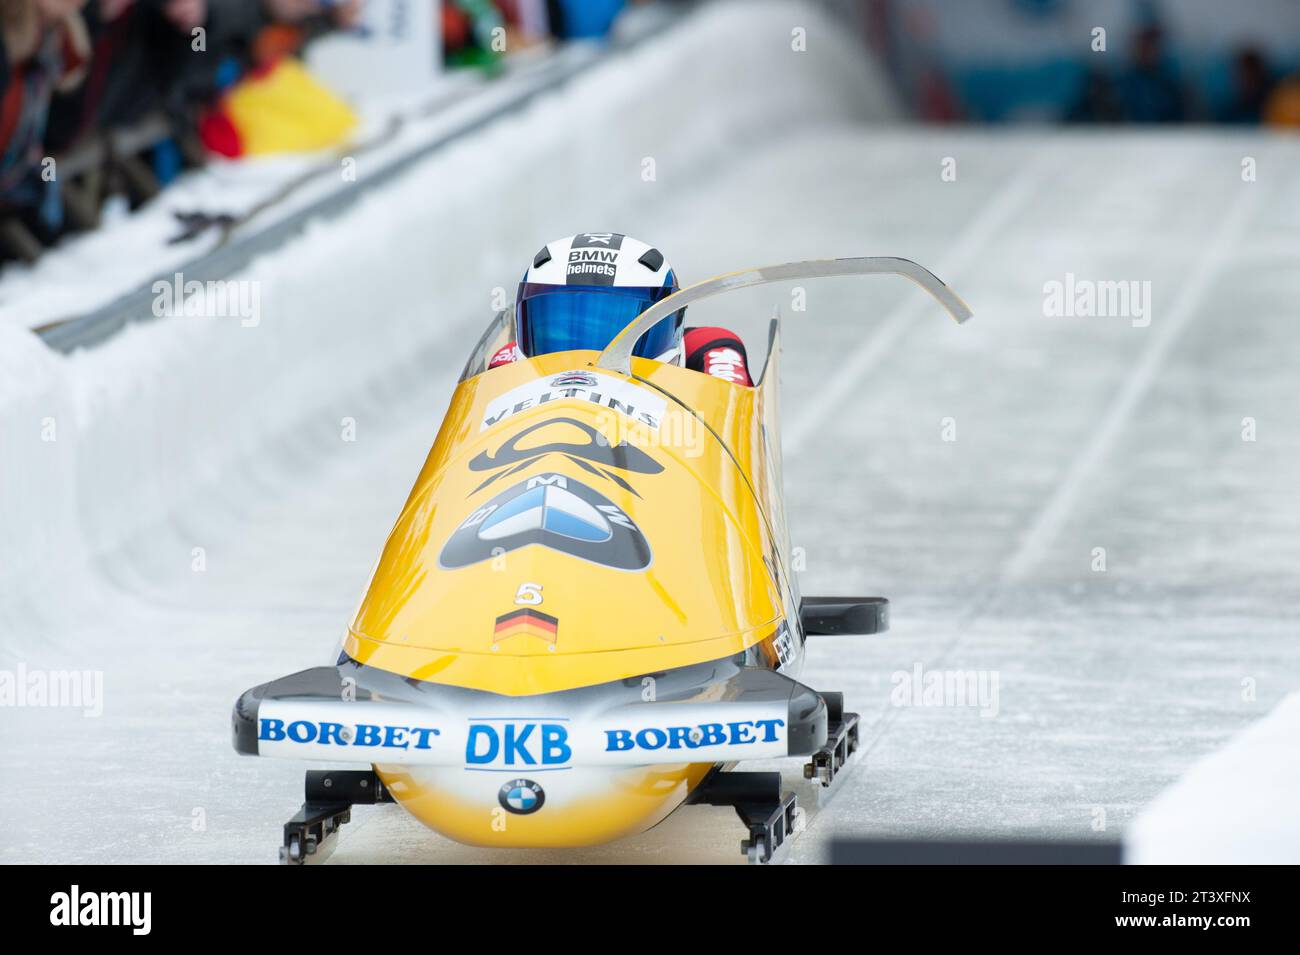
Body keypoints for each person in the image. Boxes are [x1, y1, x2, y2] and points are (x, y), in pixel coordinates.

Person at [488, 232, 753, 386]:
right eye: (564, 328)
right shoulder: (505, 361)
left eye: (609, 329)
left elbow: (732, 409)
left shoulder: (710, 348)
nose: (586, 362)